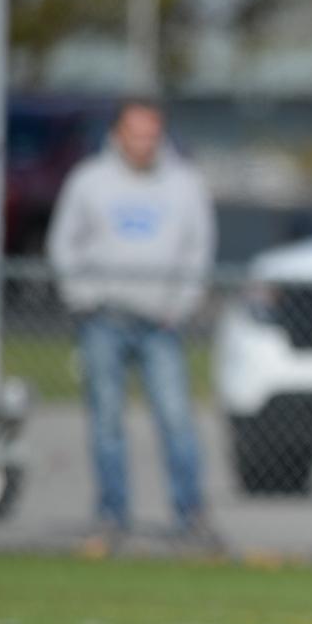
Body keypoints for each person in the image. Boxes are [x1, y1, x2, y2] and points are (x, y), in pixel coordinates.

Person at [47, 98, 218, 550]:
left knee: (177, 419)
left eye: (151, 134)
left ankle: (190, 513)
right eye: (135, 133)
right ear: (118, 134)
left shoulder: (184, 183)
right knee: (106, 423)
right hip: (104, 318)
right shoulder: (89, 181)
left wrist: (181, 304)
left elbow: (197, 250)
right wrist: (82, 297)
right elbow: (64, 245)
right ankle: (112, 515)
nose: (143, 143)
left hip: (161, 323)